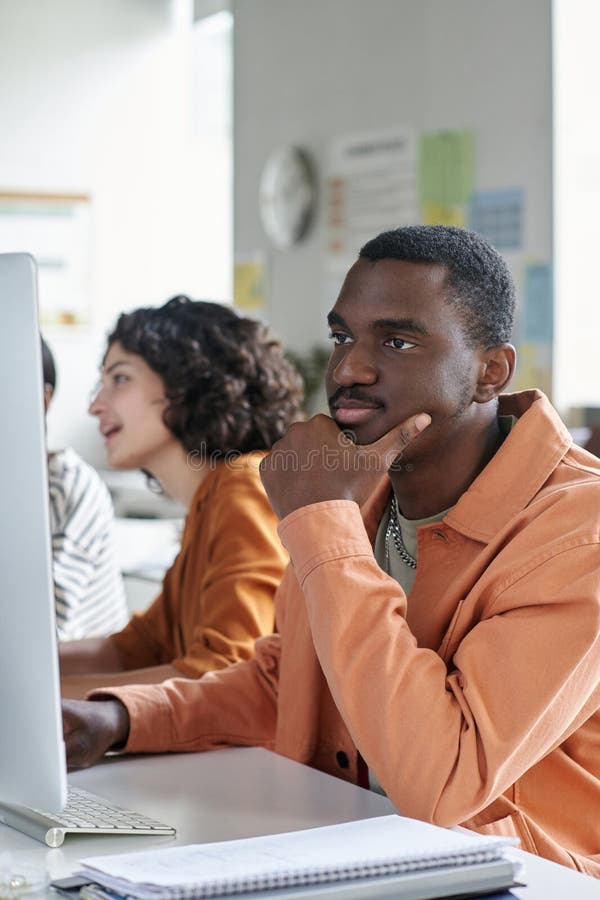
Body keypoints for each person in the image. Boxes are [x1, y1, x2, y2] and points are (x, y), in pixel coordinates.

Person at [62, 229, 600, 877]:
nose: (348, 370)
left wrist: (321, 520)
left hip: (517, 876)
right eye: (344, 337)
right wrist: (118, 719)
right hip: (349, 844)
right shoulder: (364, 493)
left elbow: (443, 779)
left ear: (491, 372)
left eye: (397, 342)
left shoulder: (578, 532)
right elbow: (286, 680)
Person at [60, 295, 303, 697]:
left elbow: (224, 673)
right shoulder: (210, 501)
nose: (94, 406)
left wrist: (41, 703)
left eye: (119, 379)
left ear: (188, 384)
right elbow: (136, 649)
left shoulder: (243, 486)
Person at [42, 337, 128, 640]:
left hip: (80, 678)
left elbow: (42, 628)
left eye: (121, 379)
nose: (95, 407)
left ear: (43, 400)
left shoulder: (66, 486)